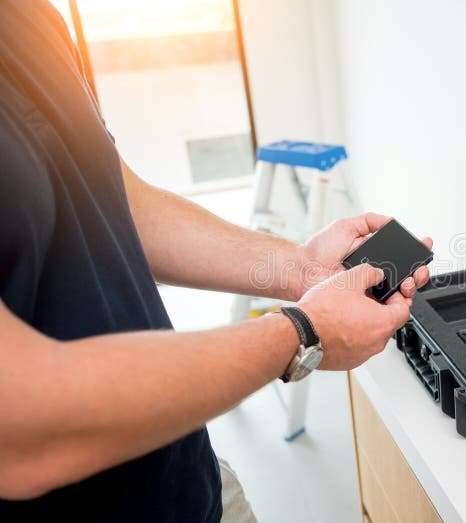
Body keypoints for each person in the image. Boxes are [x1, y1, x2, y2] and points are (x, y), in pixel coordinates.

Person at [0, 1, 431, 521]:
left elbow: (114, 196)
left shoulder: (30, 16)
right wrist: (301, 332)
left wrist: (300, 267)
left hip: (184, 476)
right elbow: (22, 424)